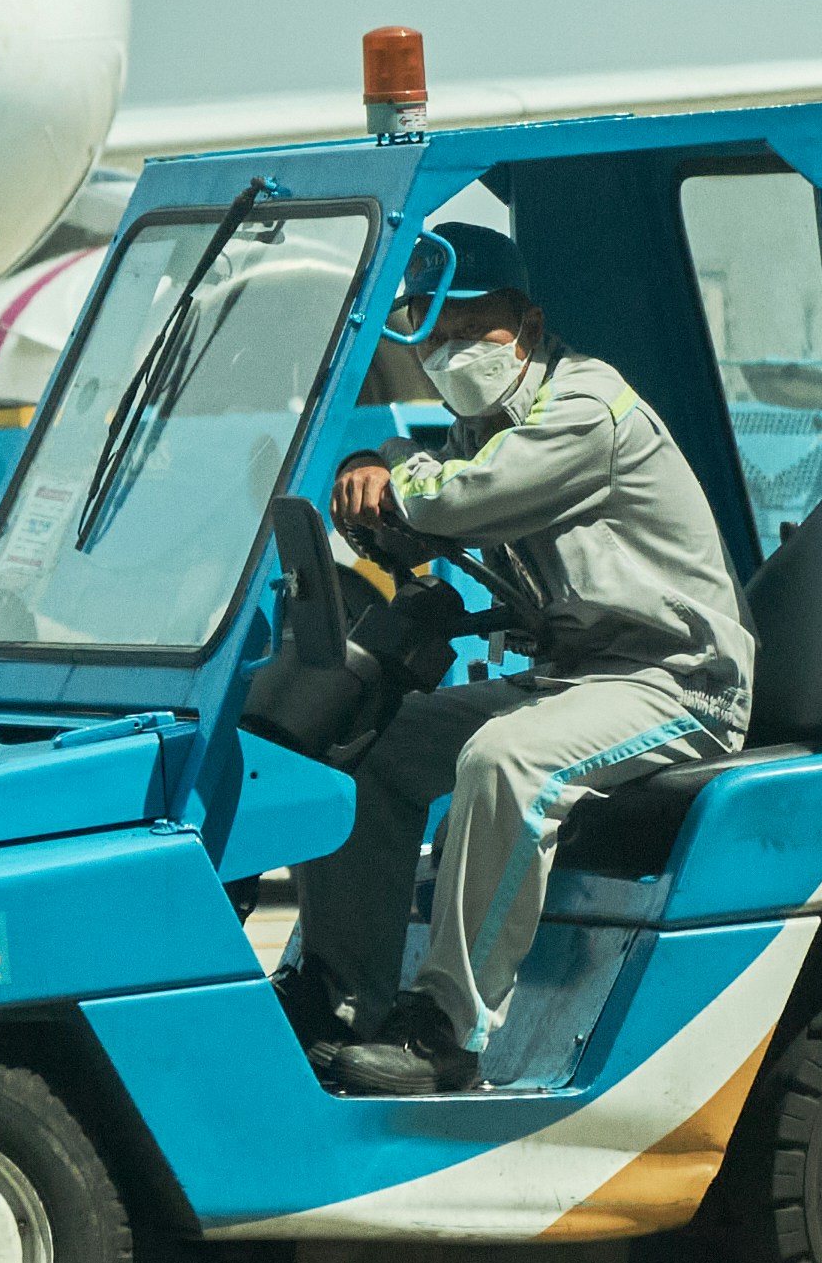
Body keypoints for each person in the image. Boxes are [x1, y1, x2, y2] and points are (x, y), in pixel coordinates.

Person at [285, 247, 752, 1095]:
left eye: (477, 327)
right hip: (577, 674)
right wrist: (378, 462)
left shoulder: (585, 408)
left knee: (506, 760)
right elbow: (437, 474)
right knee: (374, 750)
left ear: (528, 327)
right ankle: (343, 996)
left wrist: (385, 472)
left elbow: (460, 497)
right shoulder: (488, 421)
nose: (458, 349)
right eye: (442, 332)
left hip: (678, 681)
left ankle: (445, 1035)